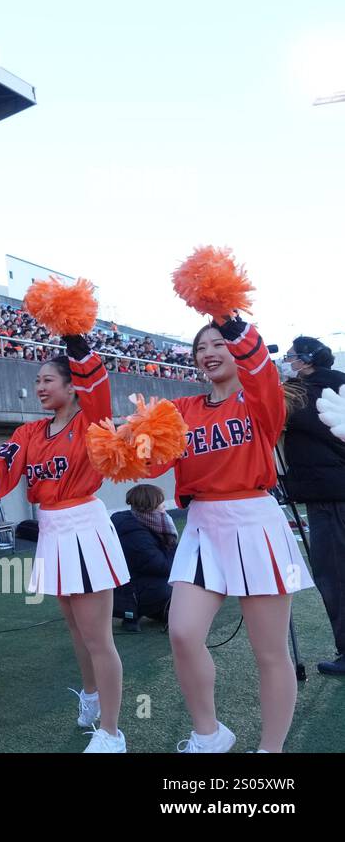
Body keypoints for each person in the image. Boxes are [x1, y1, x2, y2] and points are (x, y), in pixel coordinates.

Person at [145, 319, 314, 752]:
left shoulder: (262, 400)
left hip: (253, 521)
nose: (209, 352)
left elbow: (259, 369)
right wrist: (131, 441)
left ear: (236, 349)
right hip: (202, 524)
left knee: (269, 652)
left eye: (219, 343)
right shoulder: (181, 409)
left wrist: (233, 322)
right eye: (201, 347)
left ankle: (270, 750)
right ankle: (209, 735)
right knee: (182, 633)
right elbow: (149, 465)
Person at [0, 333, 130, 752]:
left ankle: (113, 733)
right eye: (38, 380)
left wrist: (81, 353)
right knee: (77, 631)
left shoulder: (90, 423)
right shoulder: (30, 431)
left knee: (99, 637)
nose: (41, 387)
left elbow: (99, 392)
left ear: (71, 385)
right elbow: (1, 466)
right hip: (52, 529)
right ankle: (91, 695)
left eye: (48, 380)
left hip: (84, 525)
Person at [279, 336, 345, 676]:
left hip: (328, 495)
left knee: (334, 575)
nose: (288, 362)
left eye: (291, 357)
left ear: (307, 360)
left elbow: (274, 412)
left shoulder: (304, 392)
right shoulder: (337, 384)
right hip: (333, 490)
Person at [109, 484, 177, 631]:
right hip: (130, 592)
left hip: (133, 586)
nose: (164, 506)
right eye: (160, 503)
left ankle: (158, 611)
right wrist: (173, 547)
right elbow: (163, 567)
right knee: (182, 584)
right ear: (150, 506)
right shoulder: (135, 534)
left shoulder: (140, 522)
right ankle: (134, 612)